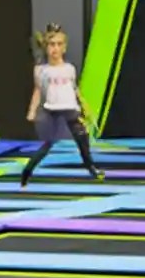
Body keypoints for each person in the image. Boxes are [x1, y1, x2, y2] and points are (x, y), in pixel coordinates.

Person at [19, 23, 101, 187]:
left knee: (82, 139)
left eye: (58, 44)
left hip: (70, 108)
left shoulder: (69, 69)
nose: (55, 48)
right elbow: (38, 91)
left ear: (64, 47)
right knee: (47, 144)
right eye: (51, 44)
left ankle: (91, 167)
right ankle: (27, 171)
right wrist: (32, 110)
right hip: (52, 110)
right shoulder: (41, 70)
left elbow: (74, 89)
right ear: (46, 47)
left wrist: (85, 108)